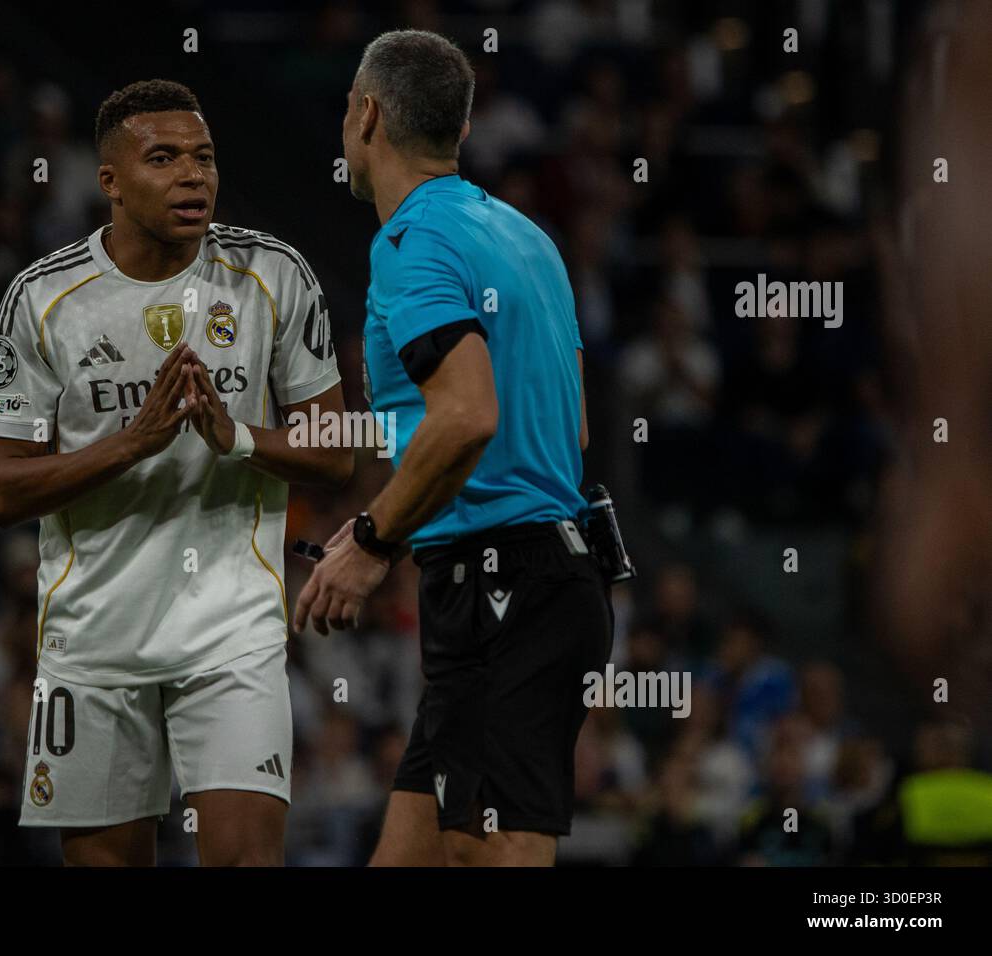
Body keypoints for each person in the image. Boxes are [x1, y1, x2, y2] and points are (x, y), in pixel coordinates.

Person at [0, 79, 351, 866]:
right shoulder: (42, 298)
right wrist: (131, 443)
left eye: (204, 157)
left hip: (232, 631)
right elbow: (2, 489)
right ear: (109, 180)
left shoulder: (275, 276)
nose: (194, 175)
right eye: (164, 158)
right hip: (91, 637)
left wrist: (240, 438)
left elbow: (337, 451)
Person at [294, 31, 612, 866]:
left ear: (366, 115)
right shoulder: (527, 239)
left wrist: (370, 541)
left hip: (508, 587)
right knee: (412, 855)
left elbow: (467, 415)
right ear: (460, 131)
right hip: (527, 579)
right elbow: (569, 431)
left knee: (498, 852)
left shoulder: (411, 243)